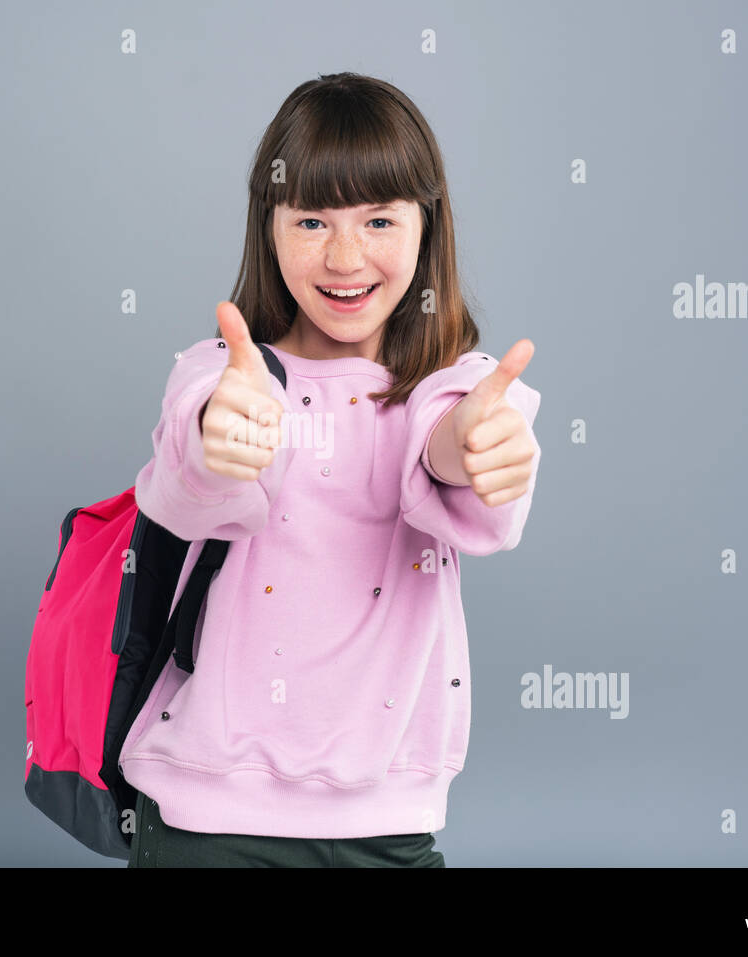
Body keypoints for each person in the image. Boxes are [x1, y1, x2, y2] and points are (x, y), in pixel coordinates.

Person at [120, 71, 542, 867]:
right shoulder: (223, 371)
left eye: (379, 218)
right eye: (312, 219)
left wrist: (484, 445)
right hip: (204, 823)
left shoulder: (447, 386)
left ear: (428, 226)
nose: (345, 256)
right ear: (267, 227)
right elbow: (193, 463)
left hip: (386, 822)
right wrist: (224, 436)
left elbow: (446, 439)